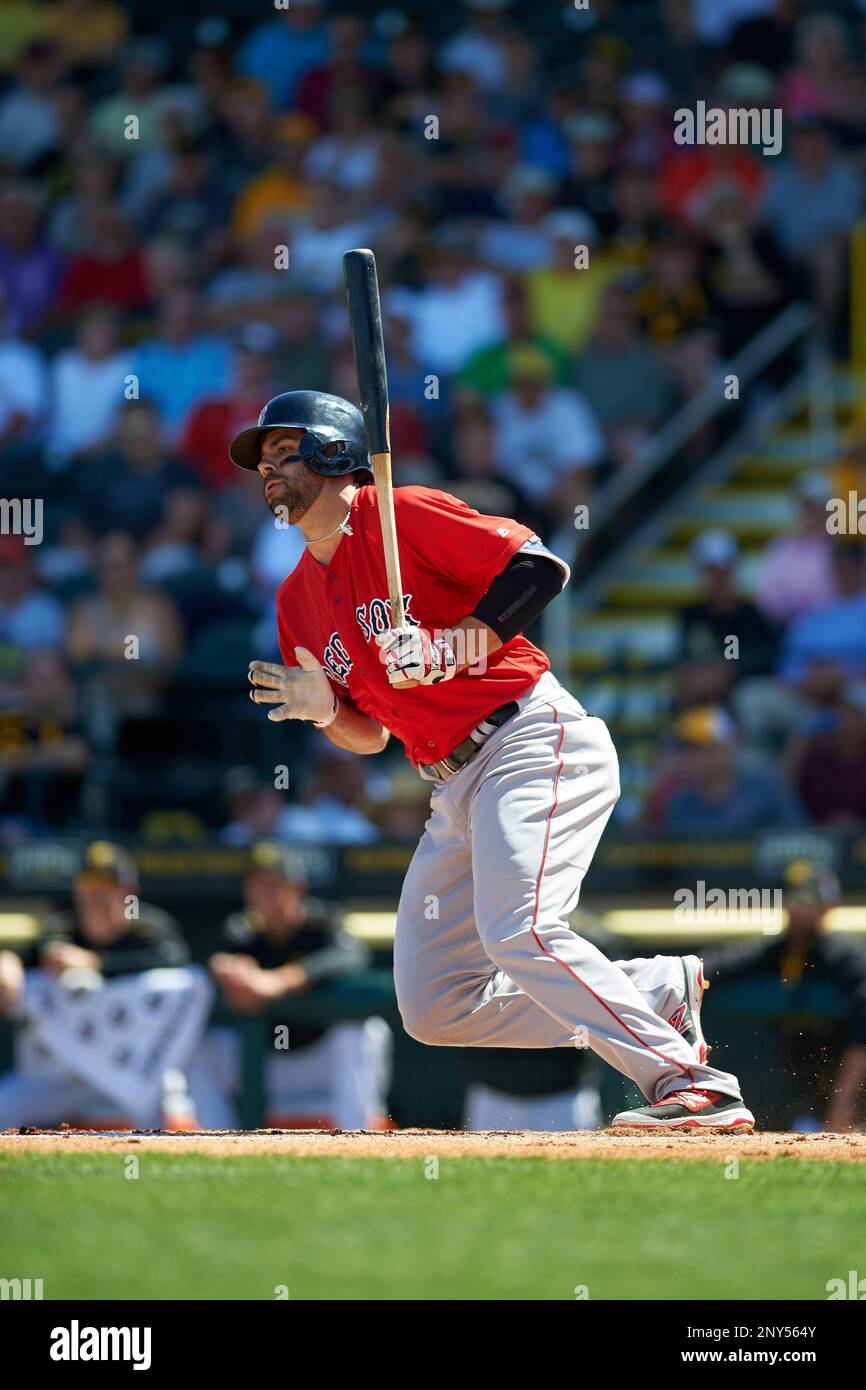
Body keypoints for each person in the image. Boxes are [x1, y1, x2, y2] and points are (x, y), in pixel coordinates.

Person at [231, 388, 756, 1131]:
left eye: (285, 451)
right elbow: (367, 738)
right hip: (450, 785)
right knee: (434, 1004)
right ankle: (653, 992)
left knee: (521, 930)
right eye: (262, 460)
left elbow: (541, 570)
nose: (267, 470)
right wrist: (327, 710)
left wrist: (453, 644)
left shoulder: (399, 513)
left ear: (335, 454)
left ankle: (690, 1082)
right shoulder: (294, 602)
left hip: (529, 739)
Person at [188, 841, 391, 1129]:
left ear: (297, 889)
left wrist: (282, 980)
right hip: (265, 1061)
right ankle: (219, 1141)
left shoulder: (320, 922)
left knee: (364, 1031)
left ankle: (356, 1136)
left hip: (320, 1060)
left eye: (274, 885)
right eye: (257, 886)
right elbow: (213, 957)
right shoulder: (242, 929)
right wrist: (226, 968)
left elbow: (352, 955)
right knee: (203, 1046)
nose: (264, 896)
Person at [0, 840, 188, 1127]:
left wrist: (97, 962)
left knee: (176, 1111)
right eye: (88, 887)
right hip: (67, 1074)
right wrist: (9, 961)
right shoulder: (63, 928)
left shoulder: (147, 928)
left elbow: (176, 962)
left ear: (128, 893)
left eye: (106, 887)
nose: (95, 897)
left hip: (136, 1070)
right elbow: (29, 956)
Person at [704, 859, 866, 1131]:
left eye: (809, 898)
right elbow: (715, 965)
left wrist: (844, 1104)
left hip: (852, 1093)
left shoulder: (848, 956)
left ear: (829, 904)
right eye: (792, 896)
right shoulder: (775, 952)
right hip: (801, 1095)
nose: (798, 905)